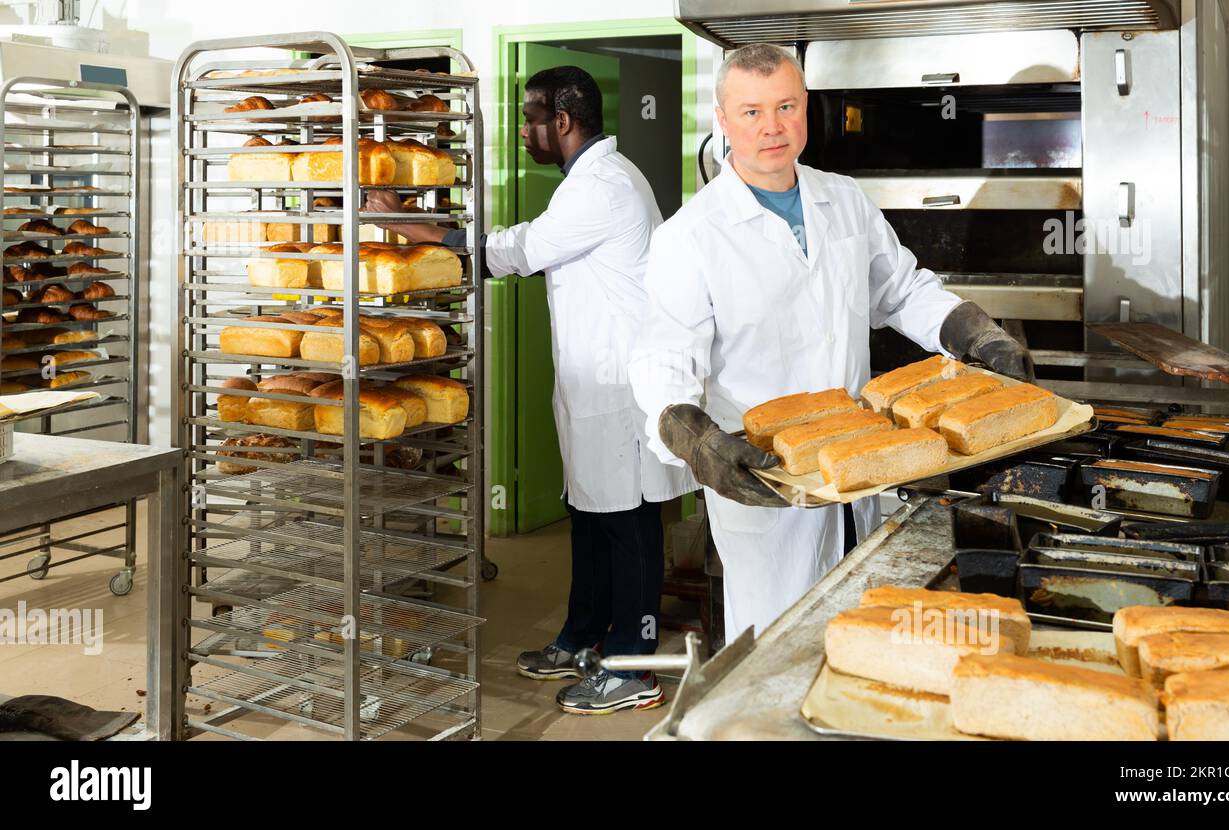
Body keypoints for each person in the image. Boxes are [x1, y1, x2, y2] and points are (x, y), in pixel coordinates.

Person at [628, 44, 1033, 642]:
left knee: (863, 632)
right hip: (767, 480)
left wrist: (975, 332)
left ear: (806, 108)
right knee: (776, 643)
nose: (772, 127)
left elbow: (900, 289)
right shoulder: (690, 236)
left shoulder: (842, 199)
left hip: (862, 465)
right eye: (751, 112)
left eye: (786, 106)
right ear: (721, 118)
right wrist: (695, 438)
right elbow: (665, 357)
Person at [365, 66, 695, 715]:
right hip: (593, 387)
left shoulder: (604, 186)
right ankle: (582, 637)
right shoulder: (588, 182)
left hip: (624, 389)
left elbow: (513, 251)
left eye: (529, 117)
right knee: (591, 516)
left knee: (628, 523)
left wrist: (412, 227)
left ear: (563, 122)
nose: (522, 131)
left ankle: (633, 666)